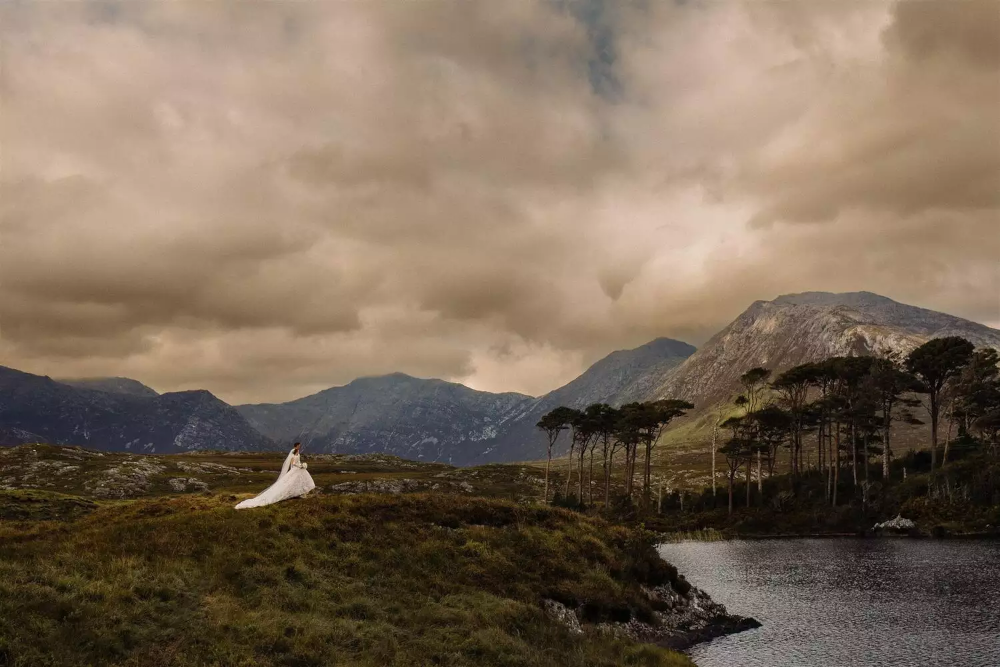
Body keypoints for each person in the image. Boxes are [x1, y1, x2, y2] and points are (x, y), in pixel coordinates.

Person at [235, 442, 315, 509]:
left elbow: (298, 461)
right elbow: (293, 463)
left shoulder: (298, 453)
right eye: (298, 446)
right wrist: (299, 466)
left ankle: (300, 492)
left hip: (298, 468)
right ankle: (296, 493)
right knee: (291, 482)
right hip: (295, 469)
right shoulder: (293, 454)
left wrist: (301, 465)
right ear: (296, 446)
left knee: (299, 479)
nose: (299, 447)